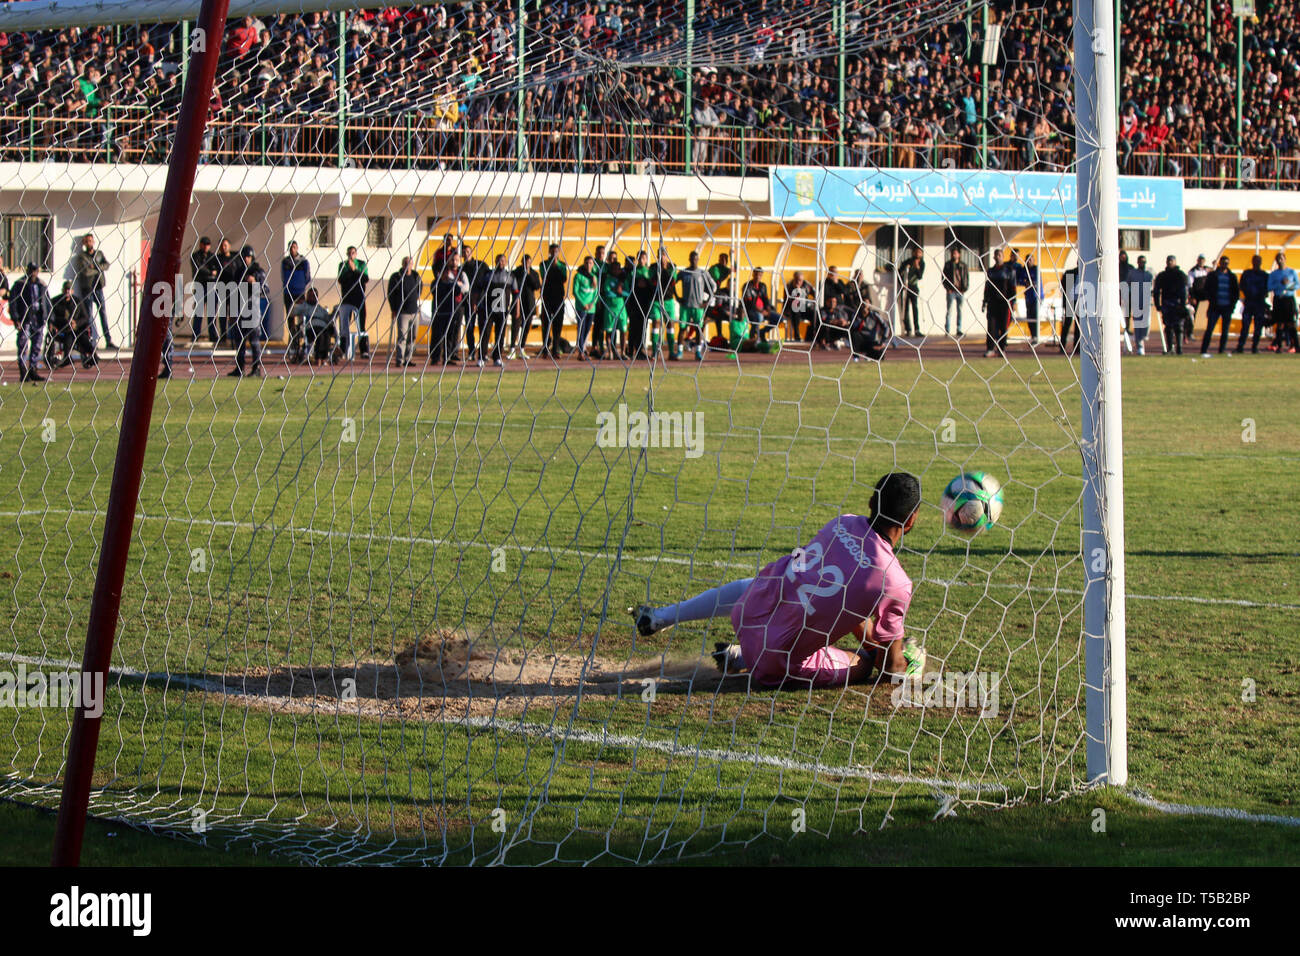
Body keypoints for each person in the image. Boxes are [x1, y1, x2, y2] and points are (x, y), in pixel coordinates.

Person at [630, 472, 926, 689]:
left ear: (872, 501)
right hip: (776, 657)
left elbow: (844, 605)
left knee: (775, 581)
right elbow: (889, 671)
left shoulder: (843, 522)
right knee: (860, 665)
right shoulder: (894, 581)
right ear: (911, 520)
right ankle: (749, 658)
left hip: (748, 611)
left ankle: (663, 617)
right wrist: (908, 664)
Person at [231, 245, 269, 376]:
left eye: (248, 256)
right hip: (240, 308)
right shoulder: (239, 271)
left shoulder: (258, 271)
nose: (246, 259)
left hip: (253, 309)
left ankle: (256, 369)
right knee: (239, 341)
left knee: (254, 341)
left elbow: (266, 290)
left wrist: (255, 282)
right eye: (244, 257)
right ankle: (239, 368)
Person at [72, 233, 114, 350]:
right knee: (88, 315)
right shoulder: (82, 257)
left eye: (91, 241)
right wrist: (98, 269)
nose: (89, 243)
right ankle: (90, 341)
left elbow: (107, 265)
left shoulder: (99, 254)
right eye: (87, 241)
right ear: (84, 244)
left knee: (103, 314)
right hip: (87, 289)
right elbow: (85, 272)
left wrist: (95, 267)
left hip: (99, 287)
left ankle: (108, 340)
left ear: (93, 242)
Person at [11, 263, 51, 382]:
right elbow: (13, 302)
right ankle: (23, 370)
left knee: (37, 344)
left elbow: (47, 302)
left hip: (38, 319)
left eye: (35, 270)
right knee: (23, 343)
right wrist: (16, 318)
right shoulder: (19, 285)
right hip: (25, 318)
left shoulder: (41, 284)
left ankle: (33, 369)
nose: (33, 273)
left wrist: (49, 319)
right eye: (31, 270)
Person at [429, 253, 469, 365]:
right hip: (439, 313)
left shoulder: (454, 283)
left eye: (447, 272)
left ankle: (447, 357)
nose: (446, 274)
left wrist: (455, 284)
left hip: (451, 312)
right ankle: (435, 358)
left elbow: (461, 290)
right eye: (443, 272)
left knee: (450, 335)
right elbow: (435, 293)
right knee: (437, 336)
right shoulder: (436, 283)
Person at [677, 250, 717, 361]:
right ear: (689, 260)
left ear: (698, 260)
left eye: (696, 259)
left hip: (698, 306)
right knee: (682, 328)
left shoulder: (703, 273)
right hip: (685, 306)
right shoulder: (684, 272)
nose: (694, 261)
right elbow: (673, 283)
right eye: (692, 259)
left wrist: (707, 301)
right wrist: (677, 296)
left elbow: (713, 286)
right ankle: (679, 351)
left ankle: (698, 352)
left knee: (698, 329)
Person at [482, 253, 519, 367]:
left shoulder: (510, 276)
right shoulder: (489, 275)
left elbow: (516, 294)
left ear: (506, 262)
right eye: (499, 261)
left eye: (503, 261)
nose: (501, 263)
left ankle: (497, 357)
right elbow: (481, 290)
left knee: (500, 334)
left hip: (503, 310)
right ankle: (482, 357)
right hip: (489, 309)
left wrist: (517, 309)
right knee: (486, 333)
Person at [387, 256, 422, 366]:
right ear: (403, 264)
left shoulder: (416, 276)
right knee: (403, 336)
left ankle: (408, 359)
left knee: (413, 337)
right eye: (406, 263)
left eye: (410, 263)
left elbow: (420, 288)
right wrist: (393, 309)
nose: (408, 265)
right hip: (402, 312)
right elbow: (391, 293)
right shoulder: (396, 277)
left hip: (414, 311)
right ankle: (399, 359)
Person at [1200, 255, 1239, 357]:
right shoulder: (1213, 275)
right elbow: (1207, 289)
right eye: (1223, 263)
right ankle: (1203, 349)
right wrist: (1211, 299)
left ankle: (1221, 350)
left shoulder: (1231, 276)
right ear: (1220, 263)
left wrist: (1232, 305)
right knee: (1210, 329)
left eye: (1226, 263)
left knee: (1225, 330)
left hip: (1227, 306)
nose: (1224, 265)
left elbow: (1236, 292)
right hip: (1215, 306)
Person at [982, 248, 1018, 357]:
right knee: (991, 327)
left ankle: (1002, 349)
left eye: (999, 255)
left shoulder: (1009, 271)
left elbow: (1013, 288)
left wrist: (1014, 301)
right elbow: (987, 287)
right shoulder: (991, 271)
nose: (998, 257)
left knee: (1003, 326)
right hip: (993, 303)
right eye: (996, 255)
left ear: (1003, 256)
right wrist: (984, 301)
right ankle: (990, 348)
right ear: (993, 257)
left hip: (1004, 303)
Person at [1153, 254, 1189, 355]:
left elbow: (1184, 291)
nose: (1170, 263)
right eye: (1168, 261)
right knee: (1168, 327)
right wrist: (1157, 304)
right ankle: (1169, 348)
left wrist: (1183, 304)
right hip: (1167, 303)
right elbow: (1156, 291)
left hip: (1177, 303)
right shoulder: (1162, 275)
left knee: (1179, 326)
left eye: (1171, 261)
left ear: (1175, 262)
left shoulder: (1181, 275)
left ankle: (1179, 349)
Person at [336, 246, 368, 360]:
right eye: (349, 252)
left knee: (361, 325)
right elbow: (340, 280)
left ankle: (364, 350)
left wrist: (355, 270)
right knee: (344, 325)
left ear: (356, 254)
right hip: (346, 298)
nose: (351, 254)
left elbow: (365, 278)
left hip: (359, 299)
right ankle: (343, 349)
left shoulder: (361, 264)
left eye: (353, 252)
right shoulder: (342, 265)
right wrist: (349, 271)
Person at [281, 240, 311, 359]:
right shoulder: (285, 262)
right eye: (291, 247)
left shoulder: (303, 261)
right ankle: (293, 339)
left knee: (301, 316)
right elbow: (283, 276)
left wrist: (301, 285)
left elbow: (308, 276)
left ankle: (301, 337)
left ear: (297, 248)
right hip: (288, 293)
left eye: (294, 247)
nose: (293, 249)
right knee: (290, 317)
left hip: (299, 293)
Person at [538, 243, 569, 359]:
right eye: (552, 251)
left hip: (558, 298)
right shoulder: (543, 264)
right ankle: (545, 348)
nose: (554, 253)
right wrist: (552, 266)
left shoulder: (562, 265)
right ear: (549, 252)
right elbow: (544, 276)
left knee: (557, 325)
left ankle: (556, 349)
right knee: (546, 324)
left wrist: (557, 266)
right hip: (547, 297)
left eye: (556, 251)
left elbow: (564, 278)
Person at [190, 236, 221, 343]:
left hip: (211, 286)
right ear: (200, 245)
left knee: (212, 313)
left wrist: (211, 271)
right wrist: (210, 272)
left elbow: (217, 268)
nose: (206, 246)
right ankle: (195, 335)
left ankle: (213, 336)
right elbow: (198, 268)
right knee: (198, 313)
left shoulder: (213, 256)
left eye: (208, 244)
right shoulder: (195, 256)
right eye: (204, 244)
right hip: (200, 286)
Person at [599, 250, 630, 360]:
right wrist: (617, 292)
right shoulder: (608, 279)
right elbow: (607, 293)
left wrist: (621, 292)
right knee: (608, 331)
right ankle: (610, 352)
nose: (616, 270)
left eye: (618, 268)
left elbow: (628, 292)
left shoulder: (623, 280)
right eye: (614, 268)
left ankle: (623, 352)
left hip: (621, 309)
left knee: (623, 331)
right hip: (610, 308)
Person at [510, 254, 541, 359]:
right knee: (515, 326)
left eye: (529, 262)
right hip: (518, 303)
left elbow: (537, 286)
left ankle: (522, 348)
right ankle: (512, 349)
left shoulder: (533, 273)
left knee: (526, 327)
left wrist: (528, 275)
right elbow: (512, 285)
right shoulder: (516, 272)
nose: (527, 264)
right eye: (525, 262)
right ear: (521, 262)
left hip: (529, 303)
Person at [1237, 255, 1269, 354]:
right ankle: (1240, 346)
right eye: (1255, 261)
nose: (1257, 263)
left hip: (1259, 304)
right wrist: (1247, 293)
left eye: (1258, 261)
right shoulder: (1247, 274)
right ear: (1252, 262)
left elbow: (1268, 289)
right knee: (1245, 325)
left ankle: (1254, 347)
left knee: (1258, 326)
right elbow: (1241, 286)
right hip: (1249, 302)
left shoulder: (1264, 275)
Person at [45, 280, 81, 369]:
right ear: (63, 290)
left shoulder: (77, 302)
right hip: (59, 327)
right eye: (66, 289)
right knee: (50, 336)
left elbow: (85, 317)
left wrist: (76, 323)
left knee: (71, 336)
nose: (67, 292)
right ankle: (50, 359)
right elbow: (51, 315)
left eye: (69, 290)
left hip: (72, 328)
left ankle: (67, 357)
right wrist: (51, 324)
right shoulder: (55, 301)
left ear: (72, 291)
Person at [1268, 252, 1299, 353]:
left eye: (1281, 258)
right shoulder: (1273, 274)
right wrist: (1279, 285)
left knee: (1291, 323)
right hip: (1278, 299)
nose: (1280, 261)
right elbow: (1269, 287)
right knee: (1279, 323)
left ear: (1285, 259)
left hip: (1289, 299)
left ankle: (1296, 346)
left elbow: (1297, 285)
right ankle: (1278, 346)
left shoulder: (1291, 272)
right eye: (1278, 259)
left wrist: (1288, 284)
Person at [741, 267, 778, 345]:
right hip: (751, 310)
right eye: (756, 274)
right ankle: (755, 338)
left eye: (760, 275)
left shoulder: (763, 286)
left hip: (763, 310)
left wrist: (767, 310)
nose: (758, 276)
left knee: (779, 318)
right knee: (758, 317)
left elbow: (766, 299)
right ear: (753, 274)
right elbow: (749, 303)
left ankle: (762, 332)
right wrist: (761, 311)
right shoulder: (747, 286)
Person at [571, 255, 598, 359]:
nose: (588, 265)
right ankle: (581, 352)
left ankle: (583, 349)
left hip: (591, 308)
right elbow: (575, 291)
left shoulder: (594, 277)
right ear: (583, 263)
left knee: (587, 329)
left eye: (590, 263)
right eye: (586, 263)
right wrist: (583, 304)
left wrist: (591, 304)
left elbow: (596, 293)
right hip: (581, 307)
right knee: (581, 329)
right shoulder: (578, 276)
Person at [1130, 255, 1154, 355]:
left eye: (1144, 262)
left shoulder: (1149, 274)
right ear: (1137, 262)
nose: (1142, 264)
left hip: (1147, 301)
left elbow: (1153, 286)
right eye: (1140, 262)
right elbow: (1127, 285)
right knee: (1138, 324)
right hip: (1136, 301)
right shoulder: (1133, 273)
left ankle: (1143, 337)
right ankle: (1139, 345)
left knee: (1146, 323)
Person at [942, 247, 969, 337]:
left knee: (960, 310)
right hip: (951, 291)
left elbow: (966, 278)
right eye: (953, 253)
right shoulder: (948, 265)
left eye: (956, 253)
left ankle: (959, 329)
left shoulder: (963, 265)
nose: (954, 255)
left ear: (959, 255)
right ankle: (947, 330)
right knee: (949, 310)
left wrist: (964, 289)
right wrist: (948, 289)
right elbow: (943, 278)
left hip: (960, 291)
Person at [899, 247, 925, 337]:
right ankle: (908, 329)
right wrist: (902, 283)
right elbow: (900, 272)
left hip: (914, 287)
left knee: (915, 308)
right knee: (905, 309)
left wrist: (917, 267)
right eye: (917, 252)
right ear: (913, 253)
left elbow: (920, 276)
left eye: (920, 253)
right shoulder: (907, 262)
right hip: (906, 287)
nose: (918, 254)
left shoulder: (921, 263)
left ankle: (917, 329)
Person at [1018, 251, 1042, 346]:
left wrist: (1028, 282)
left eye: (1031, 259)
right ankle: (1033, 336)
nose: (1029, 261)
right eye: (1027, 260)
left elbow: (1035, 282)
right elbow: (1020, 280)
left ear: (1034, 260)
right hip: (1028, 296)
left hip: (1036, 296)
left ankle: (1036, 337)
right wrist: (1026, 282)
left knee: (1035, 316)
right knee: (1029, 316)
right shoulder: (1024, 270)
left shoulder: (1036, 269)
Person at [708, 252, 733, 341]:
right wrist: (727, 274)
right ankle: (692, 337)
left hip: (714, 295)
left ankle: (728, 336)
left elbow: (734, 269)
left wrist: (732, 255)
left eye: (724, 260)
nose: (722, 261)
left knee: (720, 315)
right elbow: (717, 281)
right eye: (721, 259)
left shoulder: (725, 269)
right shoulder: (715, 268)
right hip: (708, 293)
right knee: (706, 316)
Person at [1058, 264, 1082, 355]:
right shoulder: (1069, 273)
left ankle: (1077, 347)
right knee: (1067, 324)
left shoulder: (1086, 275)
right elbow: (1063, 287)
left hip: (1080, 303)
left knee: (1078, 326)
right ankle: (1062, 346)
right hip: (1070, 302)